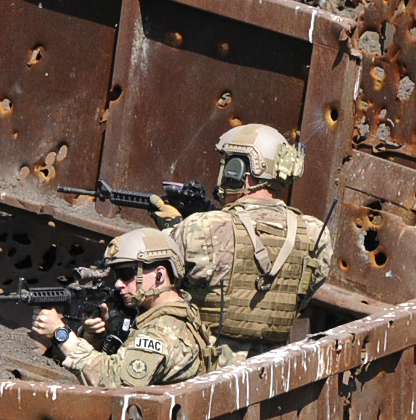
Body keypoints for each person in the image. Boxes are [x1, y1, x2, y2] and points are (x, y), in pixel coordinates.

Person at [159, 123, 332, 366]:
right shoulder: (315, 234)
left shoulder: (203, 227)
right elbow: (301, 298)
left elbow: (157, 280)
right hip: (271, 370)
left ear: (238, 170)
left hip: (205, 368)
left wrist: (171, 226)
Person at [30, 229, 215, 387]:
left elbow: (114, 381)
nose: (118, 283)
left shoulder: (161, 332)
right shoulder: (181, 308)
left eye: (127, 274)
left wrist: (61, 334)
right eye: (117, 275)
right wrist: (94, 336)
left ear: (159, 275)